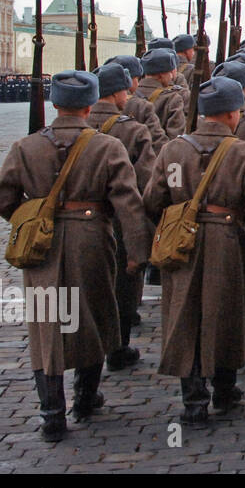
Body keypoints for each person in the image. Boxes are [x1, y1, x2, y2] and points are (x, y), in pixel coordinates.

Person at [0, 70, 151, 442]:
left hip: (41, 246)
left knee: (47, 324)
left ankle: (51, 413)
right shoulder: (108, 147)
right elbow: (129, 205)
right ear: (89, 104)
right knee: (91, 317)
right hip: (91, 240)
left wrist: (31, 217)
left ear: (55, 103)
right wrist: (138, 254)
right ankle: (85, 398)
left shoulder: (26, 147)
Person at [142, 76, 245, 424]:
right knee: (227, 314)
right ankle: (225, 389)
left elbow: (152, 200)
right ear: (234, 113)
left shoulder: (173, 149)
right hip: (228, 241)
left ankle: (193, 398)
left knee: (184, 315)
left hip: (182, 244)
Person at [87, 63, 157, 371]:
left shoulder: (72, 126)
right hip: (119, 218)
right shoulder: (133, 130)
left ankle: (86, 363)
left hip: (77, 224)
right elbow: (148, 181)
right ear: (118, 92)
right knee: (123, 286)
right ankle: (118, 347)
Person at [136, 47, 187, 142]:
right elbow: (175, 138)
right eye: (169, 73)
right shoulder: (172, 98)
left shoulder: (129, 96)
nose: (171, 77)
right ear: (161, 75)